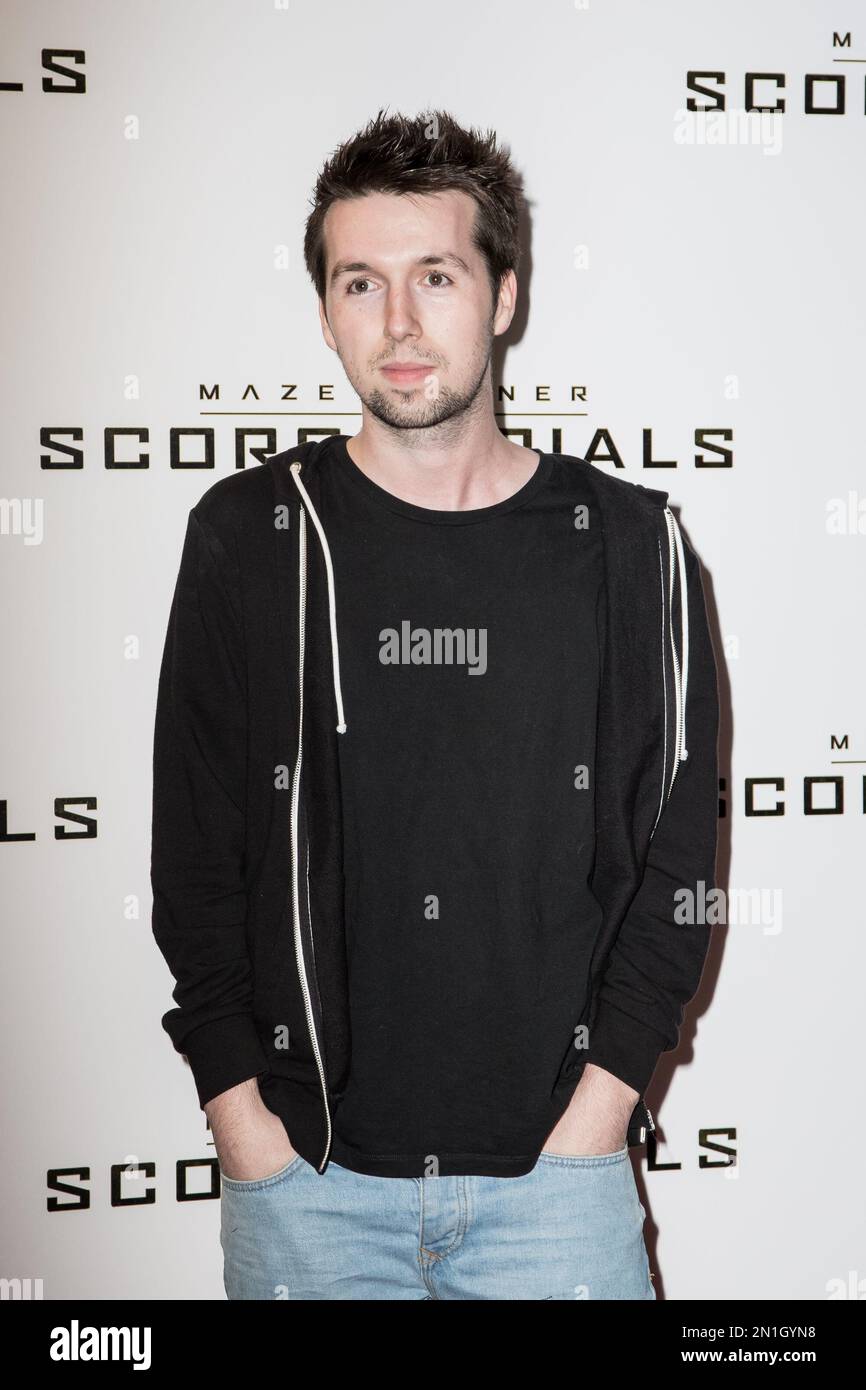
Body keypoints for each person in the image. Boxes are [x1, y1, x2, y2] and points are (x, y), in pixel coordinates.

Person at [150, 108, 720, 1300]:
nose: (398, 324)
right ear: (323, 309)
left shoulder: (630, 548)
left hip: (552, 1193)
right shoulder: (252, 541)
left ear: (502, 295)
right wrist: (243, 1124)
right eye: (361, 282)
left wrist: (599, 1111)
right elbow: (195, 858)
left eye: (436, 277)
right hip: (305, 1186)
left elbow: (677, 866)